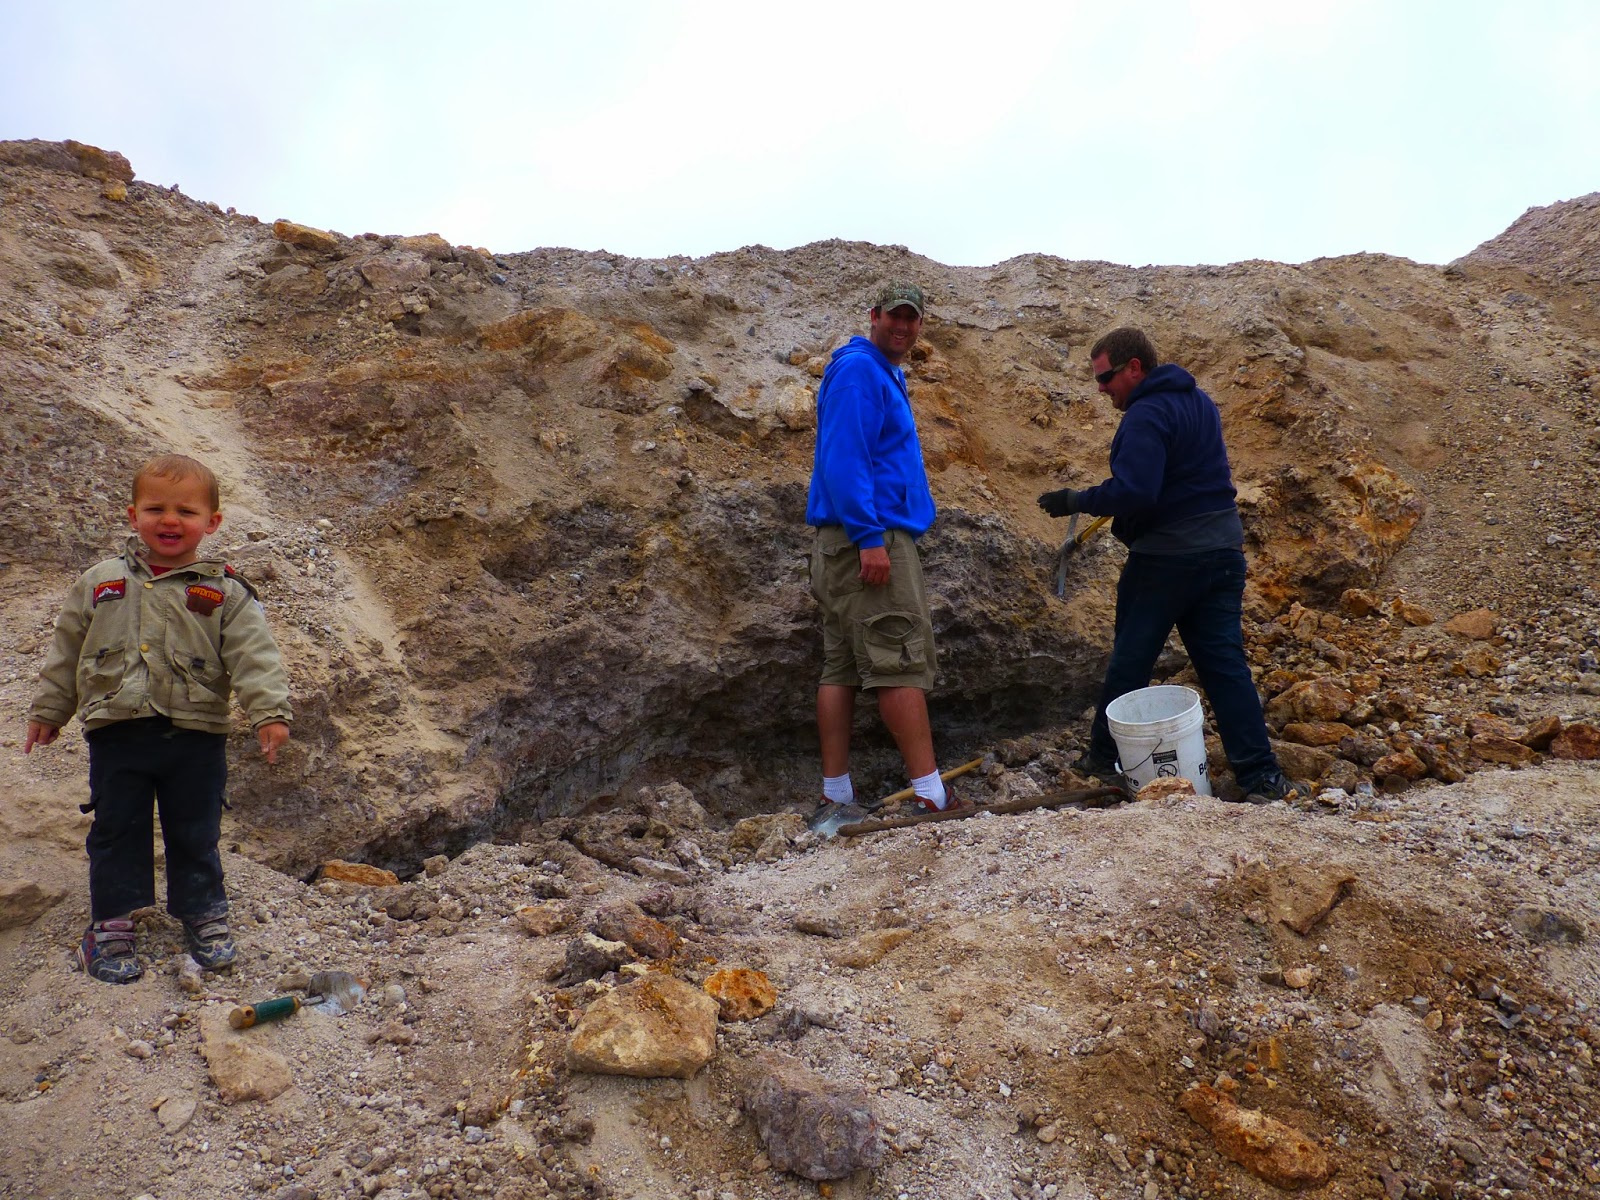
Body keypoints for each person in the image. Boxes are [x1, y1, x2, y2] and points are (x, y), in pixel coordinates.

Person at [25, 454, 292, 983]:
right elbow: (67, 651)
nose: (170, 520)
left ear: (212, 522)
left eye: (186, 511)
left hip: (196, 737)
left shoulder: (226, 593)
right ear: (133, 515)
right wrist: (50, 709)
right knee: (116, 826)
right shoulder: (100, 582)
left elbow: (255, 656)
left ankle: (202, 911)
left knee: (195, 829)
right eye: (155, 508)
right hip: (118, 732)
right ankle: (112, 923)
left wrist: (269, 712)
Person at [1038, 327, 1304, 804]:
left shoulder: (1145, 413)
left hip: (1166, 563)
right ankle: (1261, 777)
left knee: (1129, 664)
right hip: (1223, 555)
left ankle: (1102, 762)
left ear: (1134, 367)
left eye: (1106, 378)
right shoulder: (1199, 403)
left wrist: (1075, 499)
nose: (1101, 389)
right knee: (1225, 668)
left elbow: (1137, 490)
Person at [805, 281, 950, 818]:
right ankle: (932, 793)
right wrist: (870, 538)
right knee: (898, 657)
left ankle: (837, 794)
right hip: (870, 540)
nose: (904, 326)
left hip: (845, 544)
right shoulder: (861, 370)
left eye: (913, 319)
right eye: (895, 316)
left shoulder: (879, 370)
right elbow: (845, 461)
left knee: (841, 665)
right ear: (873, 315)